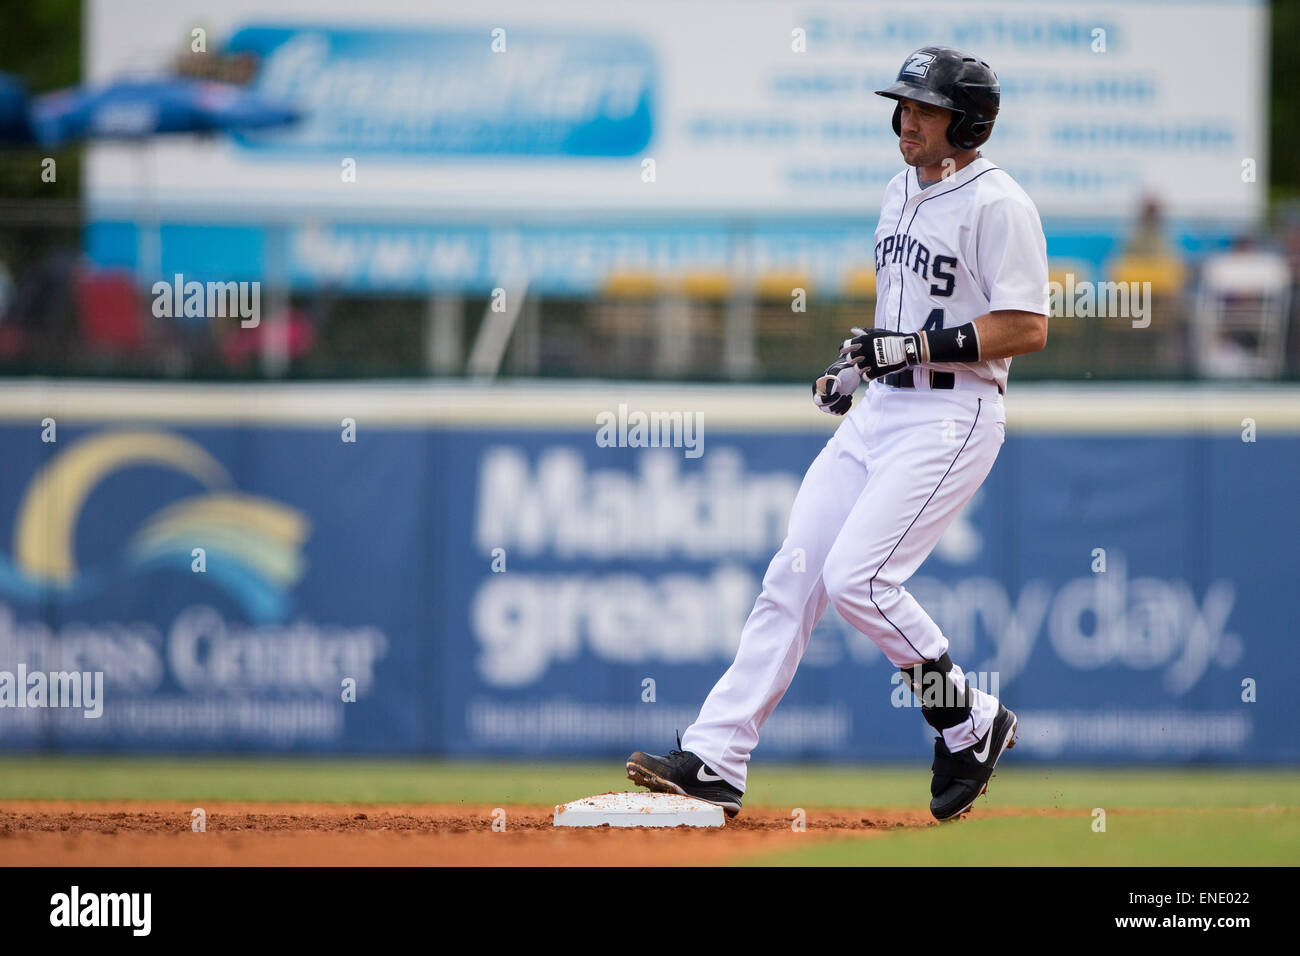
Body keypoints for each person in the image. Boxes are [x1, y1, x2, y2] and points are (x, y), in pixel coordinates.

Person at [626, 46, 1049, 821]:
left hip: (953, 415)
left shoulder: (1001, 204)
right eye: (905, 106)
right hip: (885, 410)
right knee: (795, 572)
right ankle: (717, 757)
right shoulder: (898, 193)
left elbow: (1025, 325)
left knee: (859, 579)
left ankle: (964, 718)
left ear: (969, 122)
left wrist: (911, 349)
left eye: (925, 108)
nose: (907, 120)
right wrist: (860, 364)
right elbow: (905, 320)